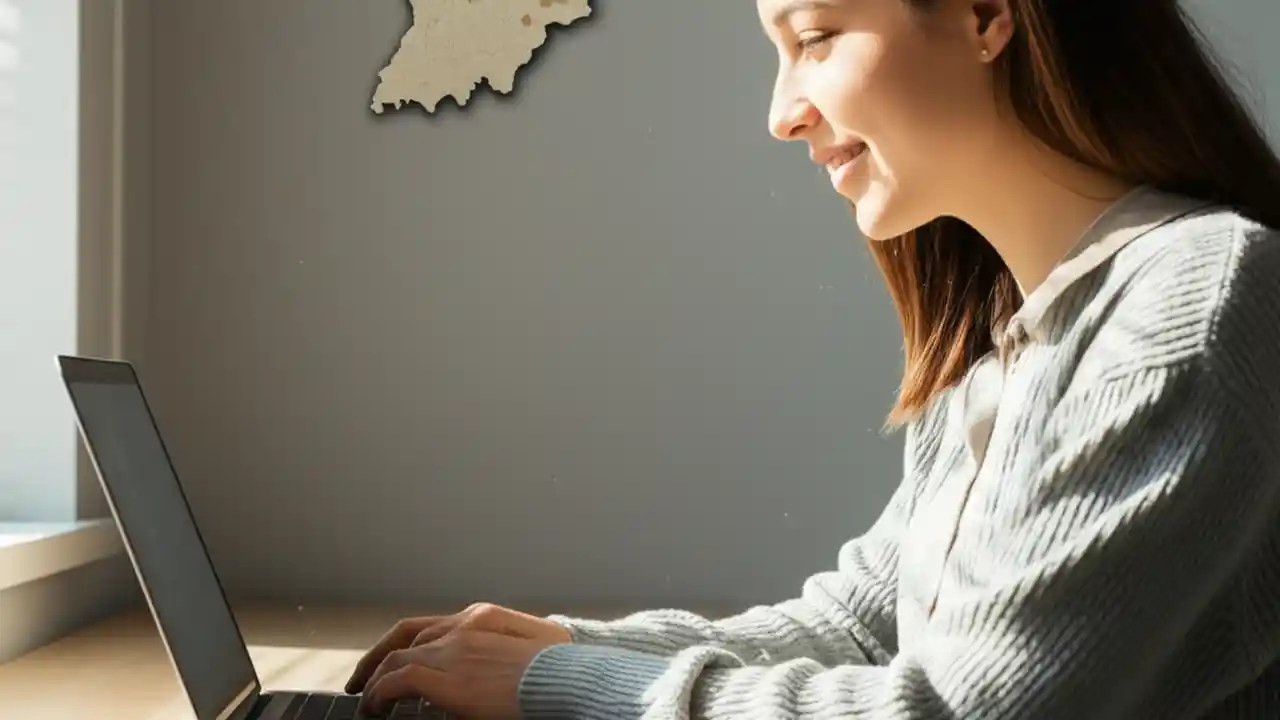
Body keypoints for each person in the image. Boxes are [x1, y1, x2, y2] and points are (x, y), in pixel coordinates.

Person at [345, 0, 1280, 717]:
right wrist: (554, 645)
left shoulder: (1194, 299)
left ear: (988, 15)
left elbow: (956, 710)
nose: (781, 114)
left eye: (817, 37)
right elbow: (864, 629)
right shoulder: (1012, 335)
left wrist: (564, 684)